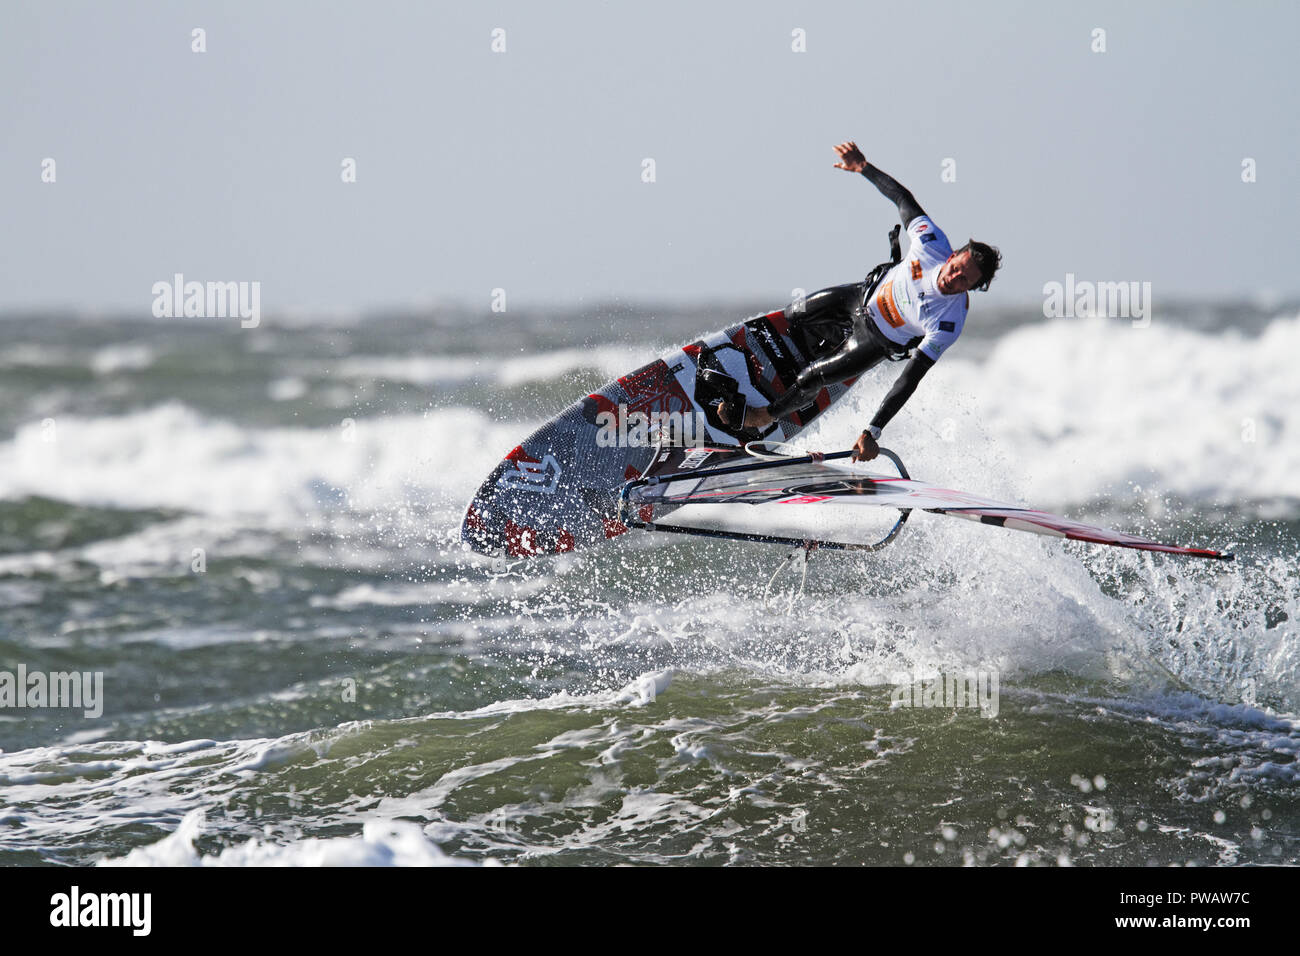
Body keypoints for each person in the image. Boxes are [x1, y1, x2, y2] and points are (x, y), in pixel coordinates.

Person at [716, 141, 1000, 462]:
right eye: (956, 267)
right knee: (794, 314)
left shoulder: (949, 321)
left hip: (875, 341)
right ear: (954, 255)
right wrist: (864, 168)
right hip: (860, 296)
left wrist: (873, 430)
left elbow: (911, 378)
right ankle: (827, 343)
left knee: (813, 378)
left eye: (965, 280)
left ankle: (763, 416)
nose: (954, 277)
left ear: (973, 287)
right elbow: (902, 198)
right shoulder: (932, 241)